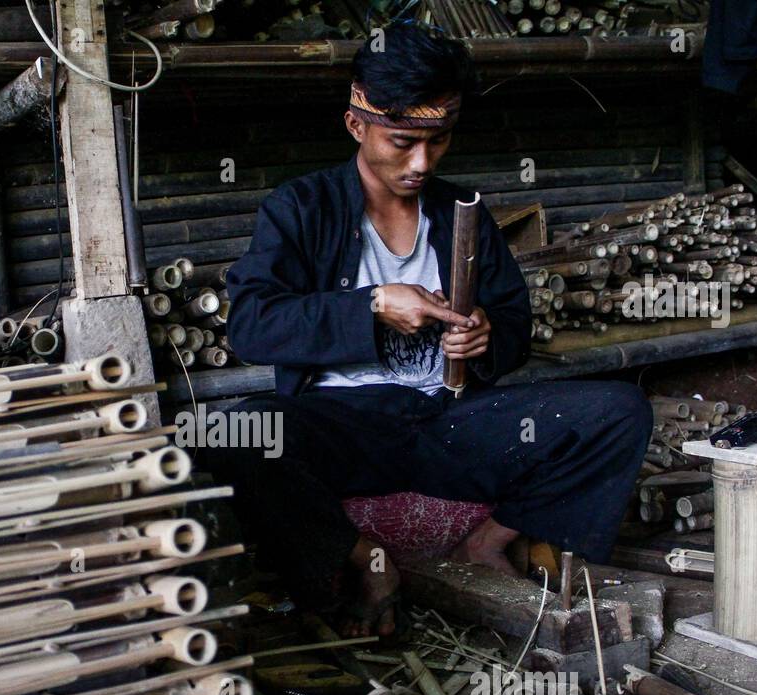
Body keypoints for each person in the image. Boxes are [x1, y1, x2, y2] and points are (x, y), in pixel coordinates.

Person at [207, 23, 652, 639]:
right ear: (357, 126)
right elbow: (252, 326)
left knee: (619, 409)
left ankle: (486, 544)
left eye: (438, 142)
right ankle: (363, 557)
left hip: (448, 421)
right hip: (342, 424)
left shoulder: (460, 211)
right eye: (402, 142)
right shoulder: (300, 208)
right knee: (232, 428)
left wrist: (485, 338)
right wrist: (371, 306)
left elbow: (516, 326)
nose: (421, 163)